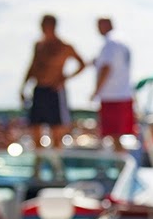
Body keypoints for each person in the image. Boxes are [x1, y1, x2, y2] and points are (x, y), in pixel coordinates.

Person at [20, 14, 86, 150]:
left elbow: (82, 64)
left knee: (57, 133)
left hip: (54, 91)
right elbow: (32, 66)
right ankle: (37, 168)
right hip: (39, 90)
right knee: (36, 131)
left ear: (52, 26)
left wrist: (65, 78)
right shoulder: (39, 45)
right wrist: (23, 87)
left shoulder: (64, 46)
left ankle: (57, 168)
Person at [91, 17, 135, 148]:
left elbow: (106, 68)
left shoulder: (110, 43)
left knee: (114, 137)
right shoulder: (122, 42)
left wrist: (96, 90)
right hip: (124, 94)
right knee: (118, 137)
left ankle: (119, 166)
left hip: (112, 97)